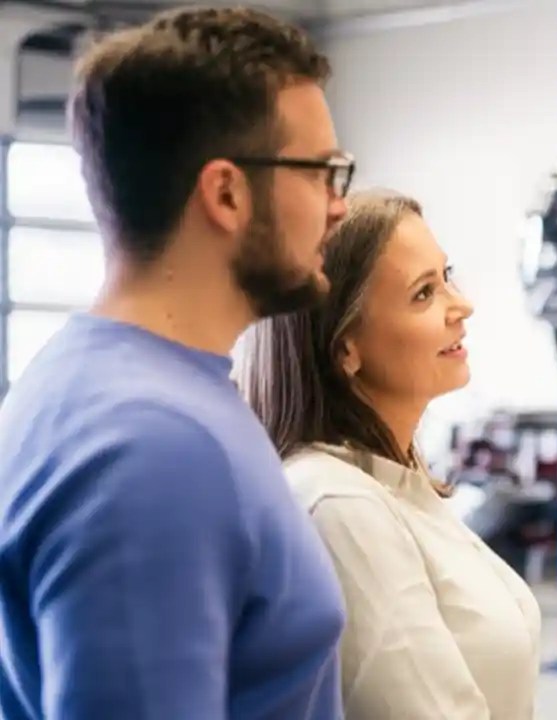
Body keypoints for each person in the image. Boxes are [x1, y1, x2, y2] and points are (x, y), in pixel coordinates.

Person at [0, 8, 353, 719]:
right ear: (225, 192)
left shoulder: (88, 380)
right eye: (322, 173)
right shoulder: (154, 445)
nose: (339, 207)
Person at [238, 189, 543, 720]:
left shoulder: (391, 484)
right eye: (424, 293)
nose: (462, 305)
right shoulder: (339, 503)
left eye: (447, 276)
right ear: (345, 348)